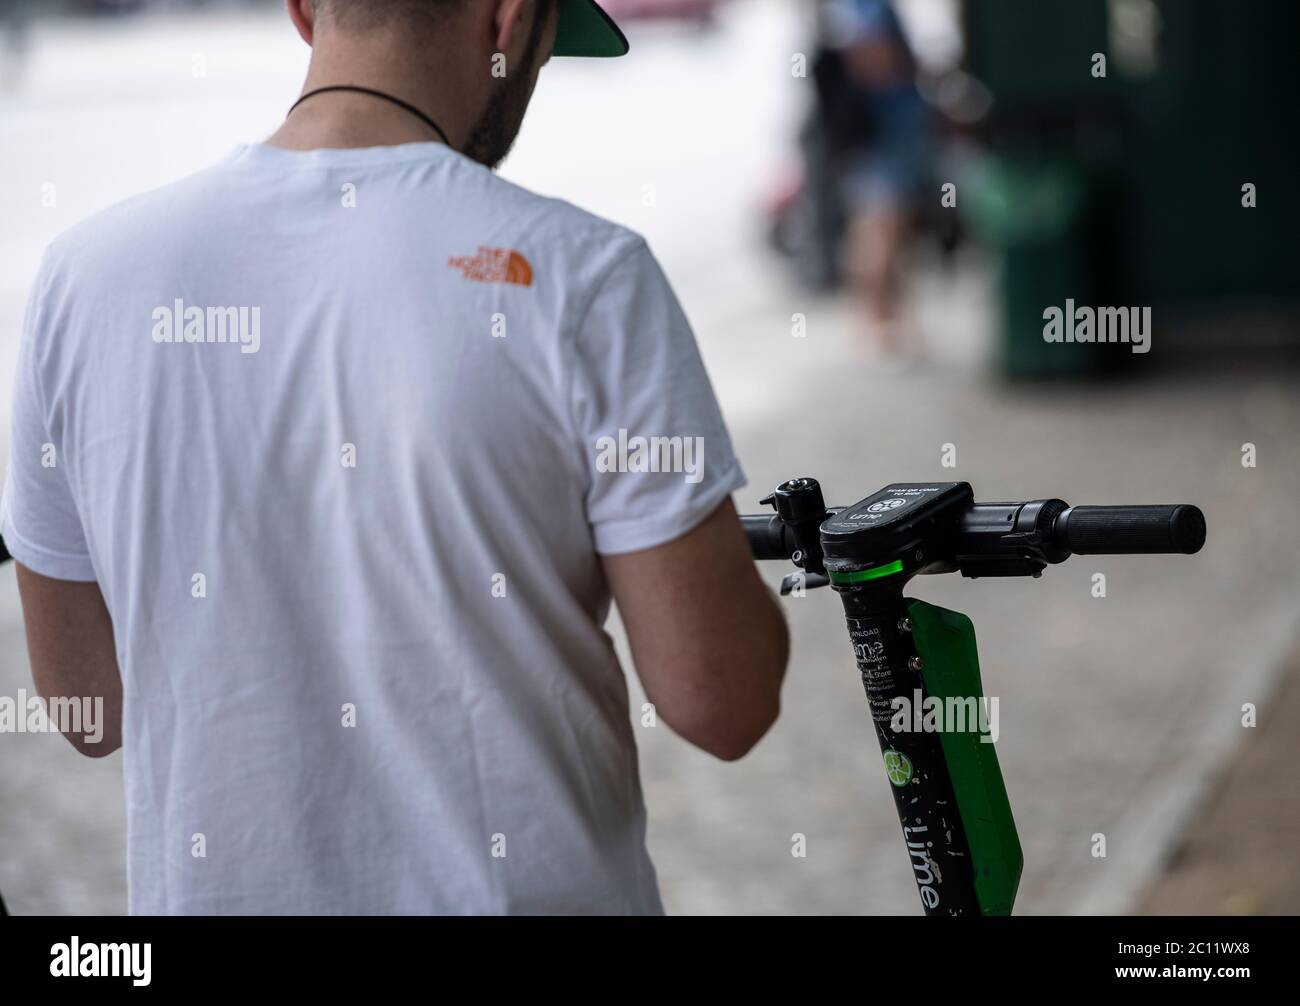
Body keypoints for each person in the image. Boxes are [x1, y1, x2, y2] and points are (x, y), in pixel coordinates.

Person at [1, 0, 788, 915]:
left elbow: (87, 705)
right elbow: (719, 700)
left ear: (304, 11)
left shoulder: (85, 276)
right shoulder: (585, 276)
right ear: (509, 20)